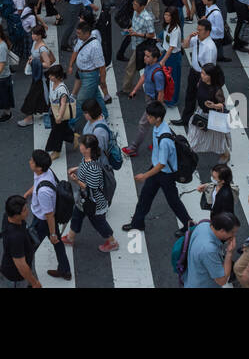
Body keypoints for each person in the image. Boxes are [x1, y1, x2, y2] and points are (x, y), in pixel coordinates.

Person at [123, 100, 193, 237]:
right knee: (145, 197)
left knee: (173, 201)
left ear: (158, 118)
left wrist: (144, 175)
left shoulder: (165, 139)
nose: (147, 118)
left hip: (165, 174)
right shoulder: (158, 127)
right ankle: (138, 223)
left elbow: (162, 164)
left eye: (149, 116)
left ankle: (189, 225)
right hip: (157, 169)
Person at [62, 133, 117, 253]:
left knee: (99, 223)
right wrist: (76, 168)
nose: (80, 146)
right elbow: (84, 166)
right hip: (84, 199)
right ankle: (70, 237)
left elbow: (91, 187)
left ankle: (112, 242)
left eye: (81, 145)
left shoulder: (94, 168)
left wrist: (76, 180)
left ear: (88, 149)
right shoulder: (88, 157)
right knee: (77, 215)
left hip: (93, 202)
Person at [24, 149, 72, 280]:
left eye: (32, 161)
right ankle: (65, 270)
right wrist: (28, 193)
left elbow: (49, 215)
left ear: (39, 167)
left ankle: (17, 270)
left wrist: (52, 233)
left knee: (29, 246)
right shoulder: (46, 171)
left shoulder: (44, 192)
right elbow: (38, 183)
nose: (30, 161)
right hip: (44, 218)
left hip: (42, 221)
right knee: (57, 243)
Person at [182, 211, 238, 289]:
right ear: (222, 231)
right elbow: (222, 280)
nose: (233, 236)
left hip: (192, 278)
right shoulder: (209, 250)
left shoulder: (204, 225)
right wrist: (229, 253)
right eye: (232, 232)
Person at [0, 194, 42, 288]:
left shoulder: (7, 216)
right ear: (15, 215)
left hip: (15, 260)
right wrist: (34, 283)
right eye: (24, 210)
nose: (28, 211)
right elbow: (21, 265)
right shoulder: (16, 237)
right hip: (17, 274)